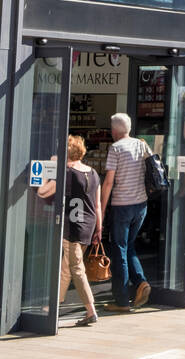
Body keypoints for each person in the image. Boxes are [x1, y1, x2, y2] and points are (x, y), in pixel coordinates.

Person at [37, 135, 101, 326]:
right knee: (67, 265)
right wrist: (99, 228)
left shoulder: (67, 174)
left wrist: (50, 169)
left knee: (76, 267)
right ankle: (55, 303)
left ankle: (91, 310)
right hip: (88, 225)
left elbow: (42, 191)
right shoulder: (93, 172)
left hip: (73, 226)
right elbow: (97, 205)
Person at [101, 113, 151, 313]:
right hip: (141, 205)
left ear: (114, 131)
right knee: (128, 245)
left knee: (119, 248)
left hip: (122, 205)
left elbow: (108, 182)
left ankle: (122, 301)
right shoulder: (141, 144)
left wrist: (101, 210)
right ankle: (140, 282)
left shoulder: (115, 148)